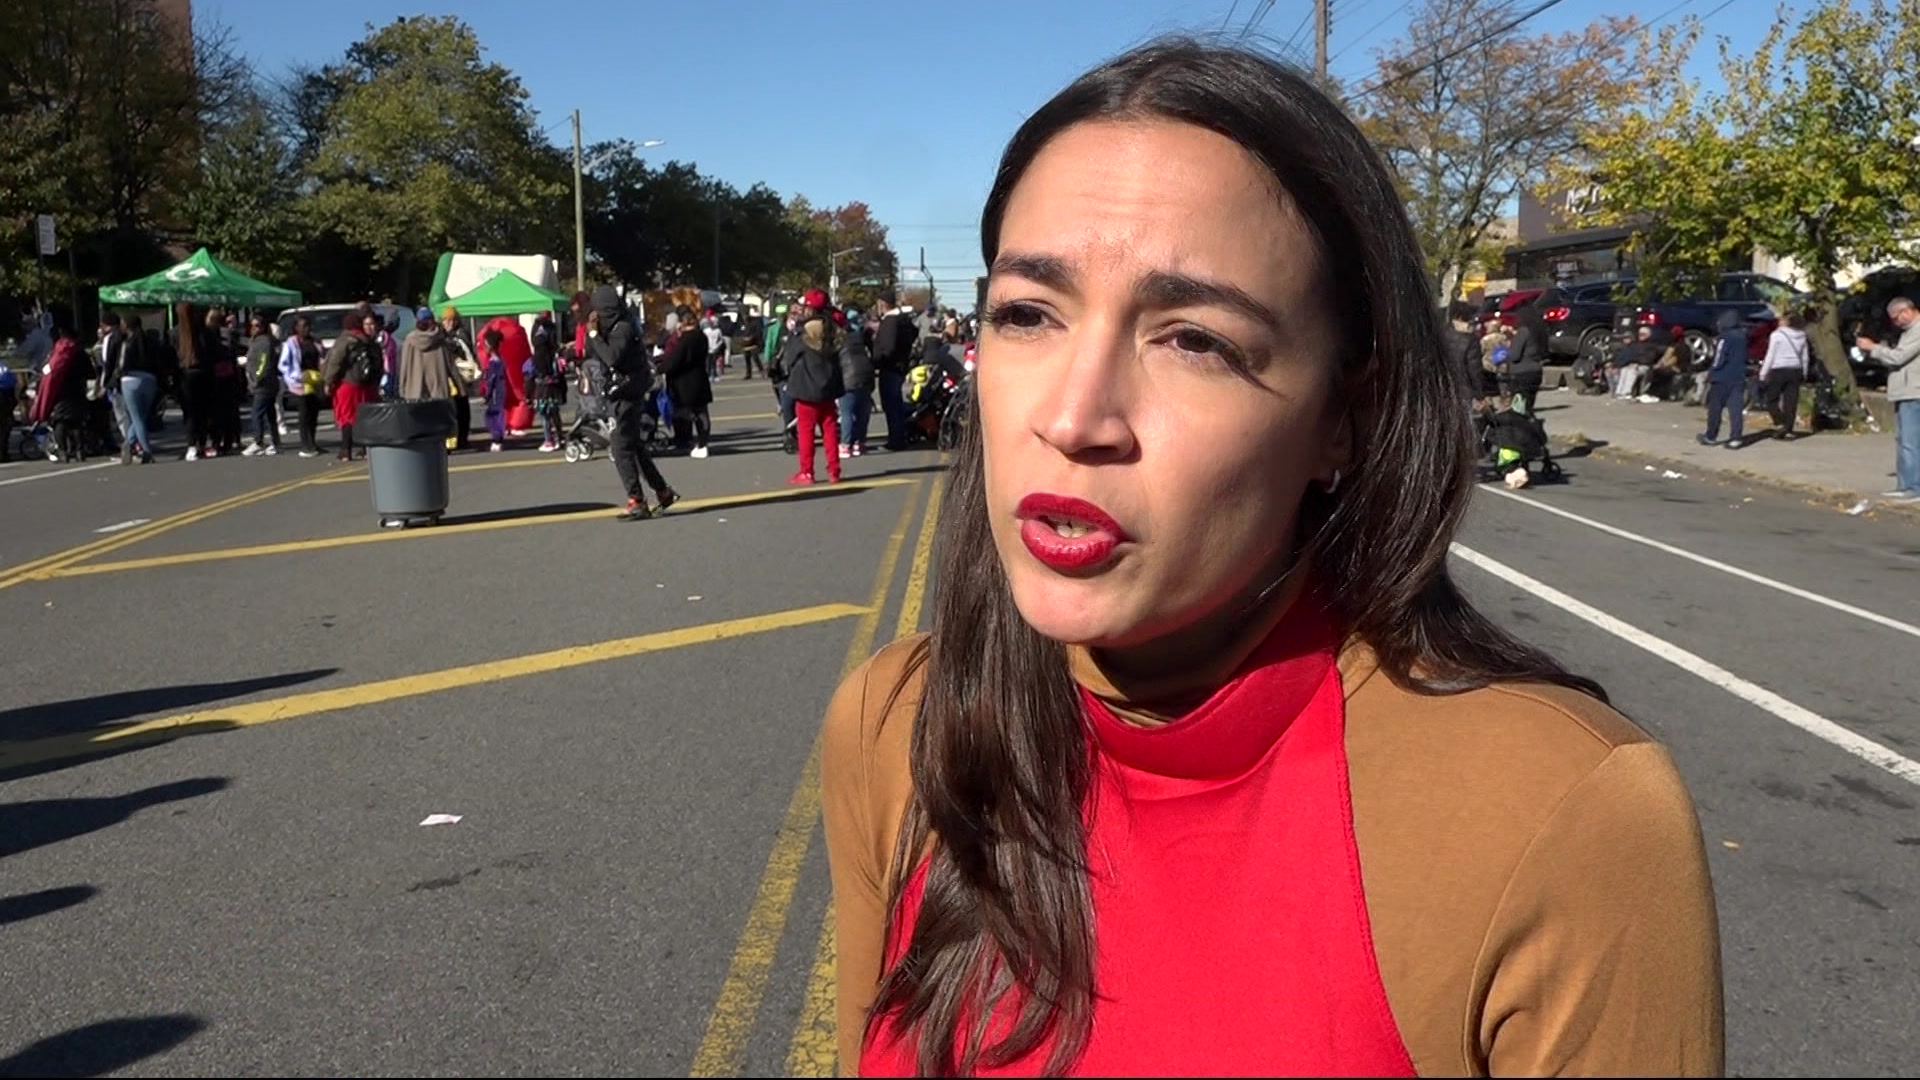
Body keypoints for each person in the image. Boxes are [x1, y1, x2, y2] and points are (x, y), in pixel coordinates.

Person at [821, 38, 1722, 1079]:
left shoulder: (1563, 810)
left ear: (1347, 414)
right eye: (1028, 314)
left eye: (1194, 339)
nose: (1073, 417)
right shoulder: (895, 723)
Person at [588, 285, 679, 520]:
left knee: (620, 447)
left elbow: (611, 357)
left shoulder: (622, 329)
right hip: (628, 390)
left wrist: (594, 335)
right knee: (635, 446)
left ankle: (636, 500)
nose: (594, 315)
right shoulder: (620, 324)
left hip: (626, 394)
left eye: (597, 309)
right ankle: (662, 490)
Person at [780, 289, 845, 484]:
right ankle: (834, 470)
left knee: (806, 430)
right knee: (830, 429)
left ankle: (807, 471)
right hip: (829, 384)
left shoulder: (804, 330)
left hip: (806, 385)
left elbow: (789, 357)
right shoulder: (834, 328)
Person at [1859, 296, 1920, 499]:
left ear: (1907, 311)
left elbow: (1899, 357)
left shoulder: (1918, 330)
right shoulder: (1908, 332)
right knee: (1903, 440)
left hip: (1914, 391)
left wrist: (1873, 348)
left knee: (1910, 442)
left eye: (1895, 318)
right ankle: (1904, 485)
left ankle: (1914, 487)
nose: (1895, 322)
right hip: (1905, 390)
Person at [661, 306, 714, 457]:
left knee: (685, 412)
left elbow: (674, 361)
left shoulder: (685, 340)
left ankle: (690, 441)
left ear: (682, 323)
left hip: (684, 382)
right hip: (700, 378)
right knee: (702, 412)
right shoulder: (701, 336)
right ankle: (703, 443)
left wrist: (660, 369)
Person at [1758, 307, 1810, 440]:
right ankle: (1789, 429)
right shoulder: (1802, 335)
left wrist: (1763, 373)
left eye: (1781, 319)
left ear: (1787, 321)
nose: (1778, 321)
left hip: (1779, 369)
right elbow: (1805, 356)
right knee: (1791, 401)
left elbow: (1770, 355)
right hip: (1795, 369)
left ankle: (1781, 423)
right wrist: (1804, 371)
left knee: (1771, 400)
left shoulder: (1777, 335)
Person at [277, 316, 325, 458]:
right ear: (296, 328)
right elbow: (283, 365)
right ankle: (306, 445)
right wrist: (295, 377)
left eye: (308, 325)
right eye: (303, 326)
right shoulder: (291, 343)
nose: (306, 328)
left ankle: (313, 442)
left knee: (313, 413)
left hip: (315, 380)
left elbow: (323, 357)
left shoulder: (315, 341)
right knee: (304, 414)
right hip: (300, 383)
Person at [1700, 310, 1749, 448]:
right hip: (1738, 376)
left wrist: (1711, 372)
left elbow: (1719, 358)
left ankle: (1711, 436)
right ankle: (1736, 438)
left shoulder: (1724, 338)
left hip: (1722, 377)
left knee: (1715, 408)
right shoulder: (1742, 337)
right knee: (1736, 409)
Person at [243, 316, 281, 456]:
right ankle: (275, 442)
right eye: (251, 325)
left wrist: (257, 379)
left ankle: (258, 441)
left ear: (264, 327)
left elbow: (264, 363)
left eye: (257, 325)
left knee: (256, 413)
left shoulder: (265, 342)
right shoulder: (254, 341)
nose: (253, 328)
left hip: (264, 384)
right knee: (270, 413)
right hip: (262, 383)